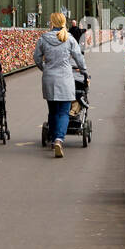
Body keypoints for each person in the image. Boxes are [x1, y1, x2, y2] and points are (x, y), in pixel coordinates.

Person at [34, 11, 87, 158]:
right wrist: (84, 72)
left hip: (49, 78)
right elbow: (79, 58)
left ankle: (52, 139)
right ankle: (59, 139)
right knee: (64, 112)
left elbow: (36, 58)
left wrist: (44, 68)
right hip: (65, 78)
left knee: (53, 111)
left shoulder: (43, 39)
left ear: (51, 23)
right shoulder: (69, 39)